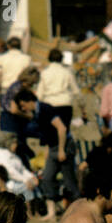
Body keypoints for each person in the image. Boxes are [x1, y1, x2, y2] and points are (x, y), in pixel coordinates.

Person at [37, 48, 77, 210]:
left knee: (52, 134)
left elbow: (39, 94)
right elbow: (75, 91)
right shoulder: (67, 72)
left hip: (50, 103)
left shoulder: (45, 73)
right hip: (65, 104)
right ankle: (61, 151)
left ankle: (54, 151)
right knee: (63, 132)